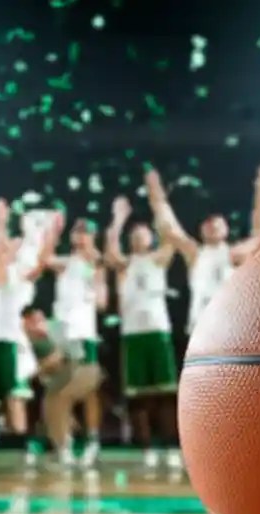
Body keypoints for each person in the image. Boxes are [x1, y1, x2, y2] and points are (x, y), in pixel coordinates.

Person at [103, 196, 182, 470]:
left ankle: (171, 446)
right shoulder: (125, 264)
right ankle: (146, 447)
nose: (138, 237)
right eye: (134, 235)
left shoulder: (159, 259)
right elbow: (110, 250)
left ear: (151, 238)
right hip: (132, 334)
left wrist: (159, 206)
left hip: (158, 331)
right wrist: (118, 219)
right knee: (137, 395)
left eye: (143, 234)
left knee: (165, 393)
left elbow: (171, 236)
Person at [144, 167, 260, 333]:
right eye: (209, 223)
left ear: (226, 229)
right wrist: (154, 188)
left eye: (218, 223)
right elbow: (169, 226)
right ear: (201, 231)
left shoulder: (237, 254)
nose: (213, 225)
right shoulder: (195, 253)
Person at [0, 201, 59, 467]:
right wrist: (1, 221)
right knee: (3, 394)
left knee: (16, 393)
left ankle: (19, 438)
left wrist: (51, 235)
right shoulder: (0, 262)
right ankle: (6, 434)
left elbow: (40, 265)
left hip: (13, 337)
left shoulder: (24, 270)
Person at [39, 217, 110, 468]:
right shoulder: (67, 263)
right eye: (77, 232)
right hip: (62, 333)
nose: (81, 236)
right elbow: (45, 260)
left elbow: (102, 302)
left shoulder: (96, 265)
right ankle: (65, 446)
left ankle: (92, 443)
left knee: (88, 391)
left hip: (84, 334)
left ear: (93, 237)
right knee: (61, 391)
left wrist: (94, 279)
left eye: (86, 232)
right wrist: (52, 232)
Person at [22, 307, 104, 469]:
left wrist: (36, 372)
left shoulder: (55, 329)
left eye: (38, 320)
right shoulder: (28, 339)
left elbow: (59, 358)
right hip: (62, 375)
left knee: (56, 400)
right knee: (53, 399)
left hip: (79, 368)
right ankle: (64, 447)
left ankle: (70, 448)